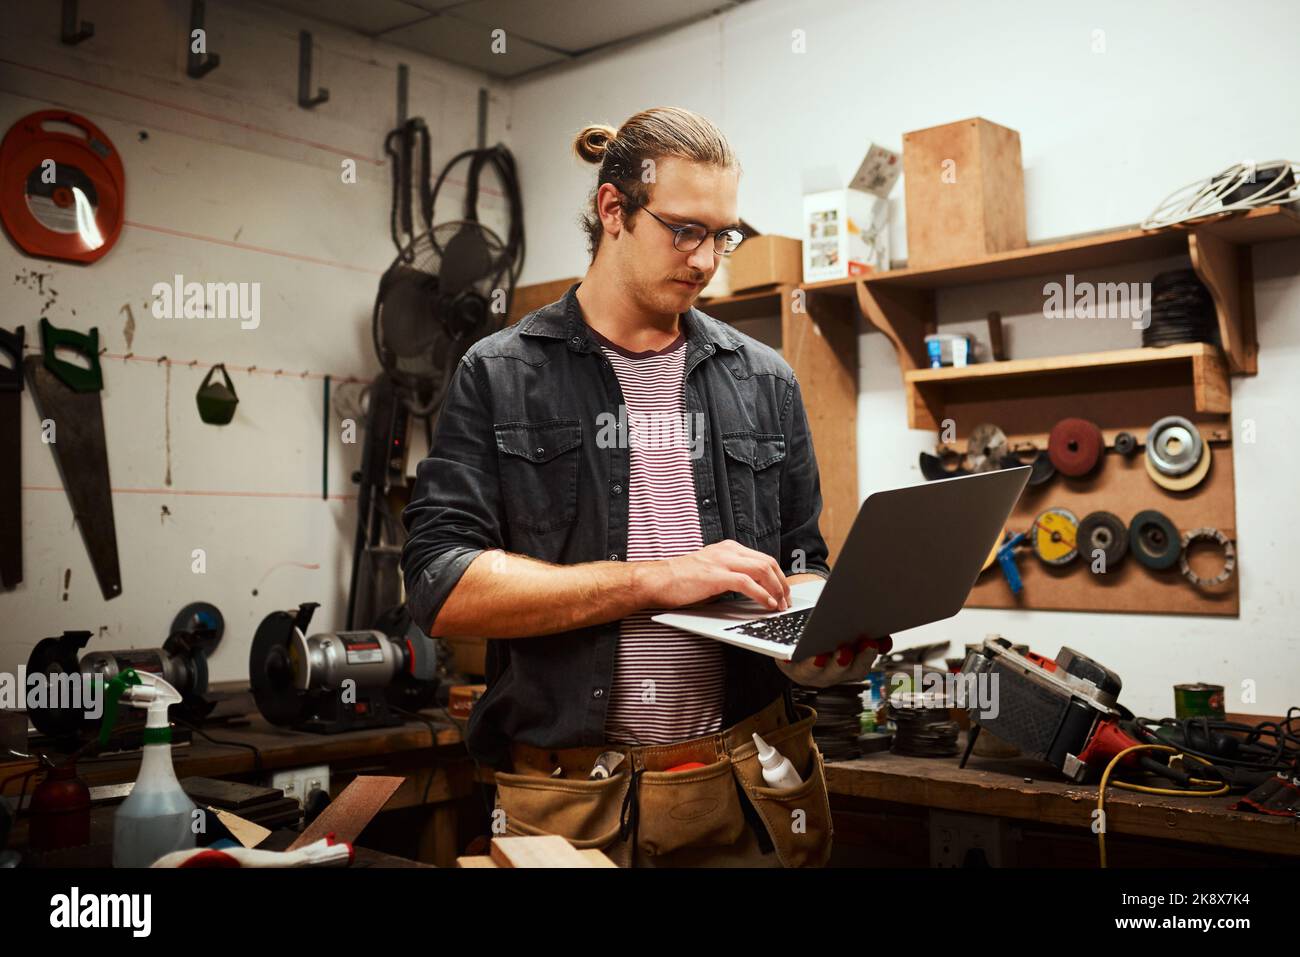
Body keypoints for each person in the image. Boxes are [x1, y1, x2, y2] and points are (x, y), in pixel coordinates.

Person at [402, 106, 889, 867]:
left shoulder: (765, 380)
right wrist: (660, 580)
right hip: (570, 800)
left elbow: (802, 558)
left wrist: (816, 641)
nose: (705, 259)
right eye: (684, 229)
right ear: (613, 211)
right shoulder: (500, 374)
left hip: (748, 785)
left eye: (723, 235)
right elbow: (443, 586)